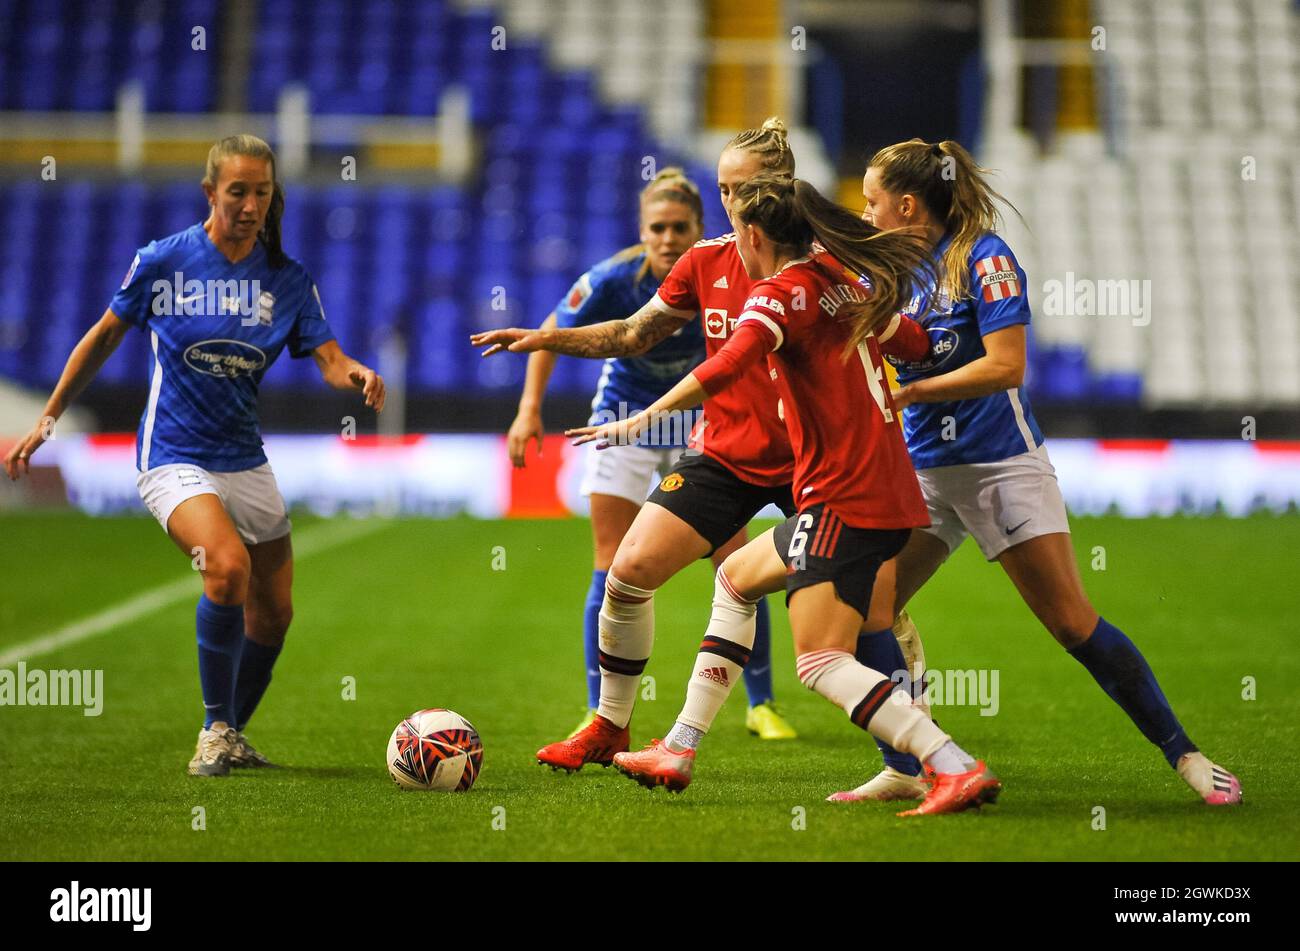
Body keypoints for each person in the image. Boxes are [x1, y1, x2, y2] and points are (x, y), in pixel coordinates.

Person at [474, 119, 923, 771]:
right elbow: (634, 334)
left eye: (743, 190)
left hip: (816, 463)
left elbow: (899, 343)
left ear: (779, 188)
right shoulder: (707, 261)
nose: (732, 204)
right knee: (629, 570)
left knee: (871, 614)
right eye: (724, 190)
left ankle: (910, 763)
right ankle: (610, 725)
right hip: (727, 454)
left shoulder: (826, 269)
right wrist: (548, 339)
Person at [572, 171, 1000, 816]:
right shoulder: (847, 282)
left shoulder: (779, 293)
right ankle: (679, 747)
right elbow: (917, 344)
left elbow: (728, 363)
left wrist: (643, 418)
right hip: (888, 487)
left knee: (821, 661)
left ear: (753, 234)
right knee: (735, 580)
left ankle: (953, 765)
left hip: (842, 495)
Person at [834, 138, 1240, 806]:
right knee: (864, 613)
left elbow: (1006, 365)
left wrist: (913, 392)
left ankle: (1186, 755)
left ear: (906, 205)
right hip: (923, 473)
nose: (866, 213)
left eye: (872, 201)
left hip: (999, 468)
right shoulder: (897, 271)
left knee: (1072, 624)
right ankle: (911, 764)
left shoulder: (984, 259)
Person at [3, 134, 386, 777]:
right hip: (173, 455)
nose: (251, 205)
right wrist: (49, 416)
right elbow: (103, 336)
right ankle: (214, 729)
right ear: (210, 192)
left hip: (244, 458)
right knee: (227, 569)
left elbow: (329, 358)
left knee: (276, 613)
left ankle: (231, 732)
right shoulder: (164, 261)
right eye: (237, 192)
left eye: (261, 192)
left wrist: (357, 374)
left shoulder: (287, 280)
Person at [505, 168, 794, 740]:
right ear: (642, 231)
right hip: (623, 418)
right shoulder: (612, 280)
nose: (667, 238)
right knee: (611, 561)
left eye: (679, 227)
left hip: (700, 418)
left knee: (735, 561)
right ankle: (600, 708)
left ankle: (760, 704)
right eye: (657, 228)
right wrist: (528, 409)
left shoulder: (724, 270)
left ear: (698, 228)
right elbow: (549, 331)